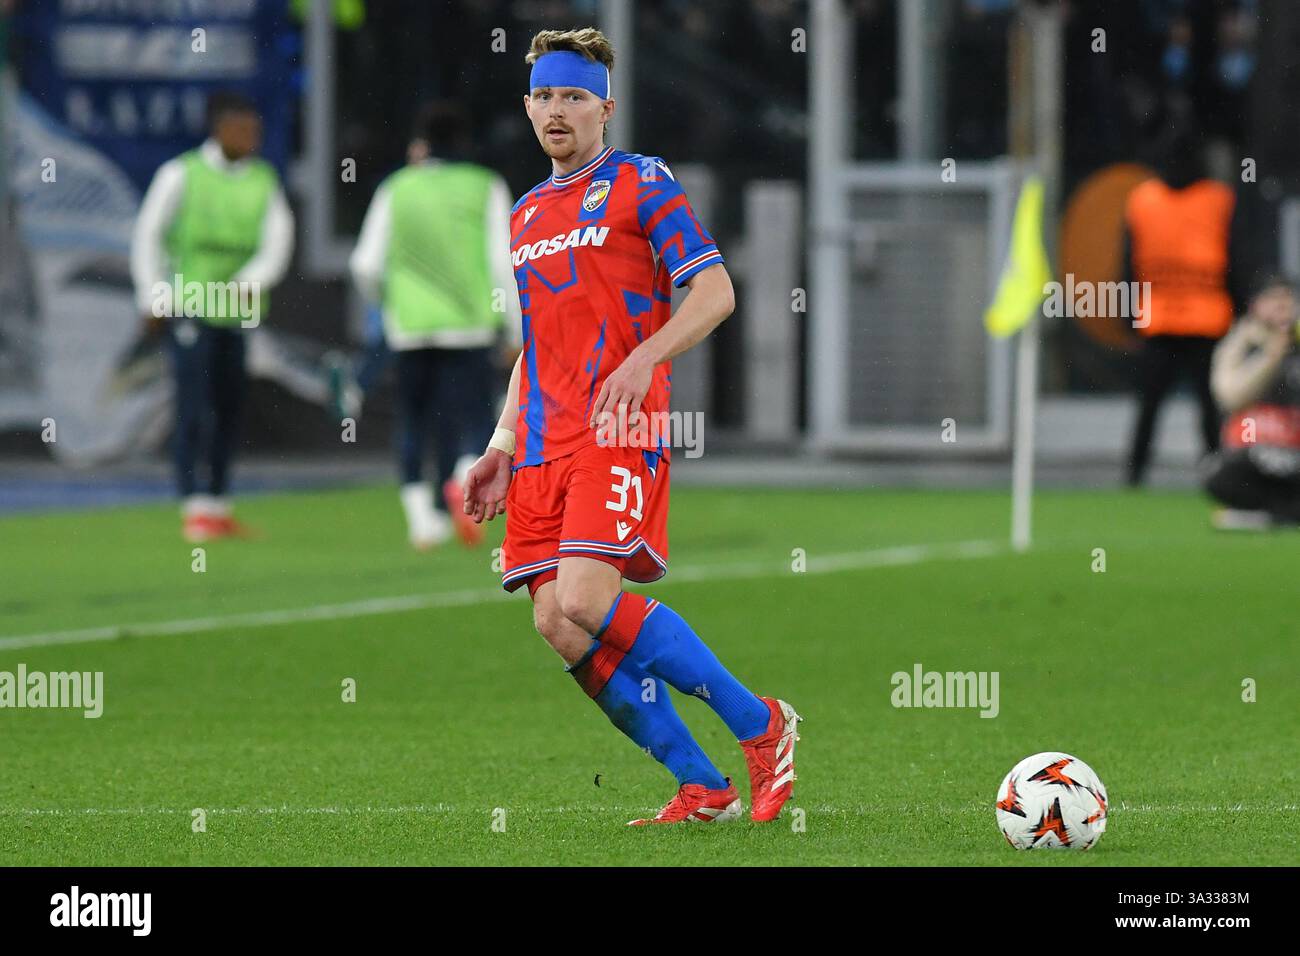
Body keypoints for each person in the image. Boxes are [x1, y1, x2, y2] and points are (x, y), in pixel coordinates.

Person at [462, 28, 801, 826]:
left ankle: (761, 723)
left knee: (583, 597)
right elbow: (536, 349)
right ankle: (702, 784)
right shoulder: (524, 214)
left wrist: (647, 357)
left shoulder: (640, 183)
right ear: (527, 105)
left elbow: (714, 293)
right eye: (544, 95)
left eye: (574, 96)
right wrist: (501, 446)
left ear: (604, 109)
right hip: (543, 442)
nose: (557, 110)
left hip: (617, 431)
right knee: (556, 621)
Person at [350, 102, 520, 549]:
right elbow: (504, 263)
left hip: (410, 328)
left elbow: (365, 264)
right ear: (464, 142)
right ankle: (462, 479)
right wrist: (516, 330)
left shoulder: (396, 188)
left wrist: (388, 308)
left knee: (412, 420)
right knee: (471, 418)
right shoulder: (486, 187)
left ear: (421, 144)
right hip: (470, 327)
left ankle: (422, 521)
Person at [130, 91, 294, 542]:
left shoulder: (263, 180)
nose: (251, 138)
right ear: (219, 129)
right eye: (242, 129)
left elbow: (278, 242)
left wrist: (252, 281)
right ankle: (193, 506)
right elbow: (150, 236)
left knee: (228, 407)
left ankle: (218, 504)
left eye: (255, 131)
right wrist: (152, 297)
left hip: (235, 312)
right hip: (191, 307)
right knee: (194, 405)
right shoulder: (180, 174)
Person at [1123, 123, 1244, 486]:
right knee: (1208, 405)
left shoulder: (1143, 199)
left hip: (1158, 316)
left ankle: (1135, 473)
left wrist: (1128, 313)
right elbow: (1236, 260)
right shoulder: (1219, 198)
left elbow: (1126, 264)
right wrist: (1240, 309)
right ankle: (1215, 470)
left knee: (1150, 404)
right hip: (1206, 317)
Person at [1204, 277, 1300, 529]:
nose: (1282, 305)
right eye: (1274, 298)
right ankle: (1277, 514)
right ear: (1255, 305)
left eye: (1287, 298)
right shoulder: (1240, 343)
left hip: (1295, 450)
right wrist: (1272, 356)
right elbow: (1231, 395)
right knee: (1218, 475)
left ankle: (1268, 517)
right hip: (1250, 453)